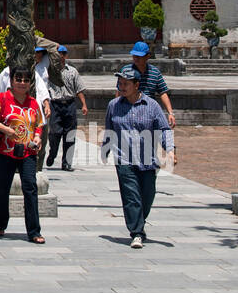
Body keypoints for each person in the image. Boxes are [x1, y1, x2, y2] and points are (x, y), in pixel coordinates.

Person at [102, 67, 176, 248]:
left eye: (126, 84)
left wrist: (171, 150)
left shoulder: (152, 106)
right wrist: (105, 149)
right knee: (131, 197)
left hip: (148, 160)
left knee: (147, 196)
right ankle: (136, 232)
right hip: (124, 159)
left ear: (136, 85)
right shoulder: (114, 106)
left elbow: (164, 129)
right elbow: (109, 129)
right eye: (120, 83)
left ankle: (139, 223)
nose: (122, 87)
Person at [0, 65, 50, 244]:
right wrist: (7, 129)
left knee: (30, 187)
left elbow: (38, 123)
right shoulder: (2, 98)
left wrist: (37, 137)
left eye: (26, 80)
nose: (22, 83)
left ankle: (34, 230)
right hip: (5, 151)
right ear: (11, 81)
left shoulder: (33, 102)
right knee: (4, 186)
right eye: (18, 79)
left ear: (30, 83)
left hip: (28, 151)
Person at [45, 45, 88, 171]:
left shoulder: (72, 71)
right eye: (58, 54)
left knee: (70, 135)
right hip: (55, 104)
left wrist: (84, 104)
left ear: (66, 55)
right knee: (55, 132)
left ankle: (67, 162)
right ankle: (52, 153)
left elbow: (79, 89)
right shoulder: (49, 71)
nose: (61, 56)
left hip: (69, 104)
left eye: (63, 54)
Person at [122, 41, 176, 128]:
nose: (136, 58)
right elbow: (120, 91)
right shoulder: (126, 71)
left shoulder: (154, 72)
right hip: (129, 111)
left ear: (147, 56)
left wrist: (170, 113)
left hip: (148, 112)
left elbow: (162, 92)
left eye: (139, 56)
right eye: (134, 56)